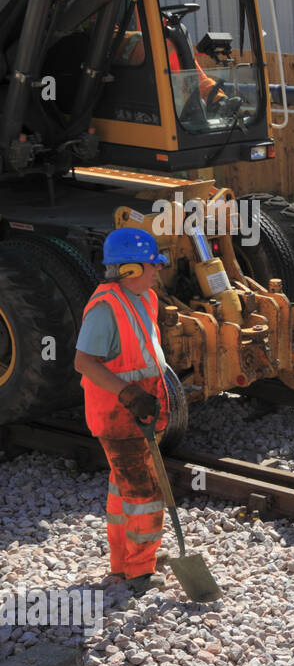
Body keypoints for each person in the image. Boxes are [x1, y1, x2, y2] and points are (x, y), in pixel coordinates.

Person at [73, 228, 172, 595]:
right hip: (119, 416)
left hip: (139, 414)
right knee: (145, 492)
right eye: (151, 266)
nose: (156, 272)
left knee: (124, 490)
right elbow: (84, 362)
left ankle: (126, 557)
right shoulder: (105, 309)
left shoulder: (143, 297)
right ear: (128, 269)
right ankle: (140, 569)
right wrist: (129, 394)